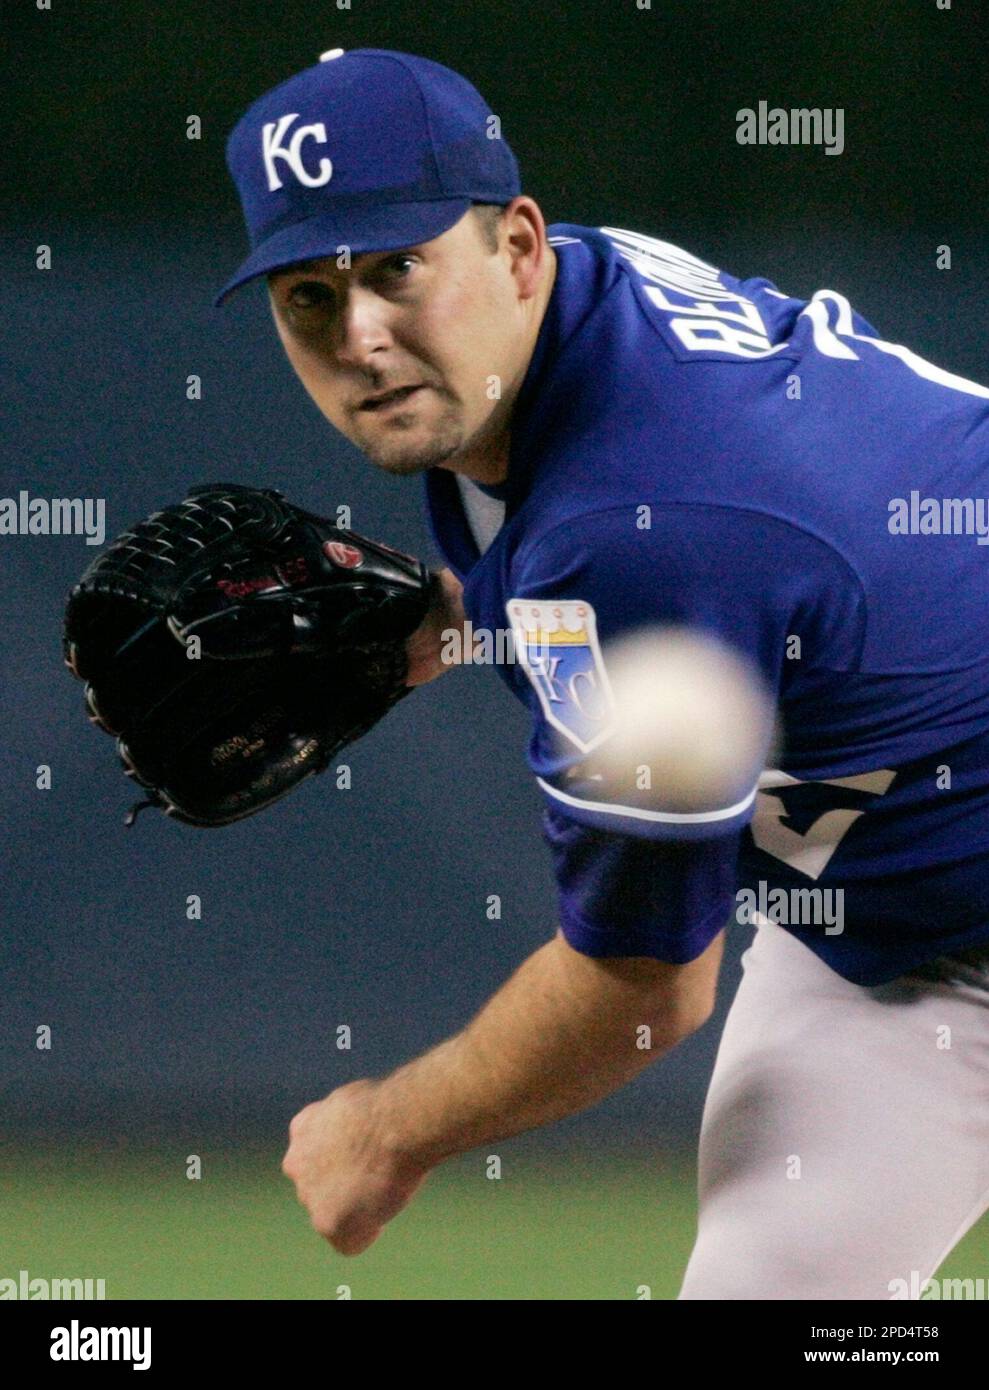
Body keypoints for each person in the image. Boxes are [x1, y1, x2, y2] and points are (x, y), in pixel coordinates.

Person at [215, 48, 989, 1298]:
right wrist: (461, 616)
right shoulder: (564, 308)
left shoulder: (633, 536)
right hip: (884, 928)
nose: (360, 336)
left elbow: (639, 983)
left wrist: (388, 1131)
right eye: (309, 296)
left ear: (515, 248)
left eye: (394, 267)